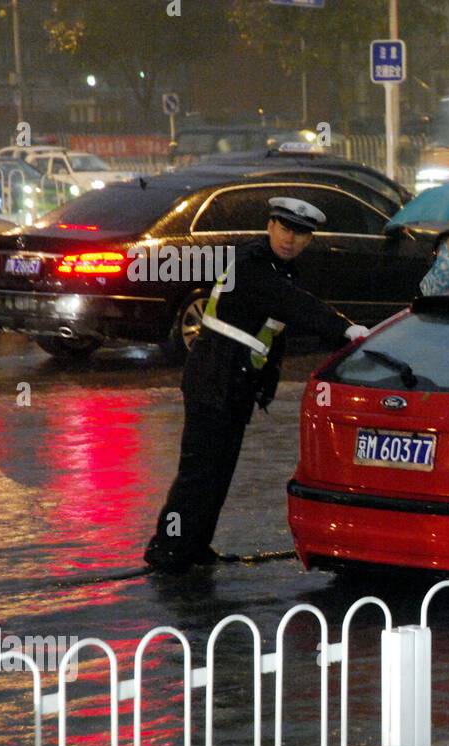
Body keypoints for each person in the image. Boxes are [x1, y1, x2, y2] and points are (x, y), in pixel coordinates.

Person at [144, 197, 369, 574]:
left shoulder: (281, 270)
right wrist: (344, 328)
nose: (291, 239)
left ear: (309, 239)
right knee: (199, 470)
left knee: (219, 470)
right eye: (285, 229)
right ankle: (167, 548)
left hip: (235, 381)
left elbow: (274, 334)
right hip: (213, 374)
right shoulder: (251, 263)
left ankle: (195, 545)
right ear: (270, 226)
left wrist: (265, 385)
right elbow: (294, 305)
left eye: (300, 234)